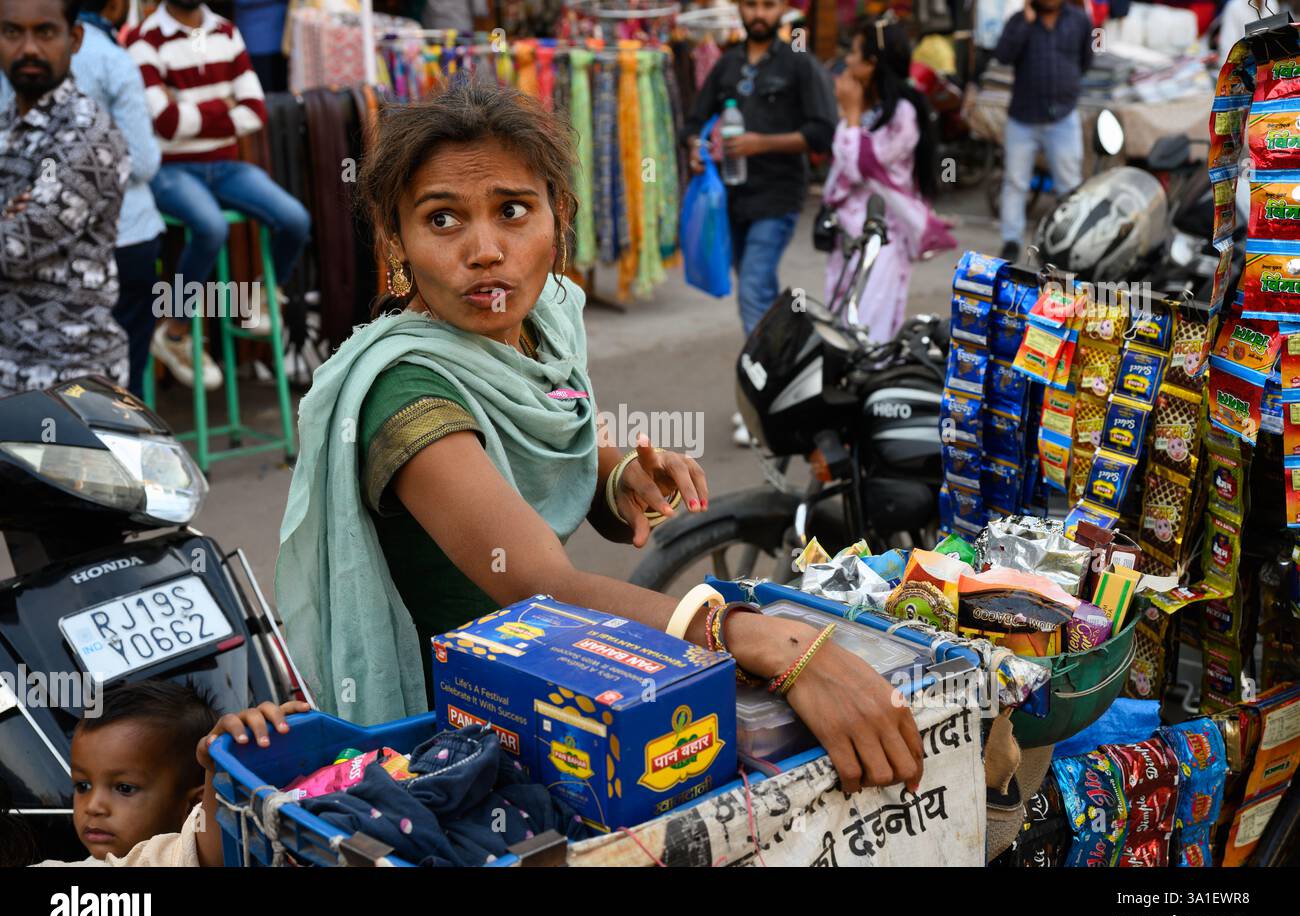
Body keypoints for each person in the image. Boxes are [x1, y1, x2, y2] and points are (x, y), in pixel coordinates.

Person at [277, 83, 924, 797]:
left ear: (559, 215)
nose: (486, 251)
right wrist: (753, 635)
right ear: (396, 242)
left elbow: (564, 444)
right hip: (458, 734)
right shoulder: (408, 396)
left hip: (549, 680)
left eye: (513, 211)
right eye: (443, 220)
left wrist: (618, 478)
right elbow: (537, 584)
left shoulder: (544, 320)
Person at [126, 0, 311, 392]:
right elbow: (165, 121)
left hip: (226, 167)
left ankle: (261, 297)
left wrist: (189, 108)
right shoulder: (144, 40)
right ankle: (174, 331)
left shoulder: (226, 31)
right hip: (170, 169)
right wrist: (222, 107)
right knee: (210, 228)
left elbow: (255, 111)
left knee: (295, 218)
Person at [681, 0, 837, 446]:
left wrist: (760, 143)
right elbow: (693, 121)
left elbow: (822, 133)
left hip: (777, 197)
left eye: (767, 5)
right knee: (760, 297)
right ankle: (788, 378)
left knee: (753, 286)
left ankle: (764, 394)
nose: (758, 14)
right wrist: (695, 147)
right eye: (751, 4)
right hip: (731, 201)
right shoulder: (728, 64)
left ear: (782, 11)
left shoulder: (799, 64)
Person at [0, 0, 166, 398]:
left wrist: (13, 221)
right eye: (12, 33)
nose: (29, 49)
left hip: (68, 382)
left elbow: (14, 247)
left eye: (44, 32)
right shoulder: (9, 121)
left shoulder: (86, 137)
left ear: (73, 38)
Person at [33, 680, 309, 866]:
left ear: (192, 805)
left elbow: (206, 848)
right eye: (82, 786)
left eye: (124, 788)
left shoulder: (162, 859)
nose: (93, 807)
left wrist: (219, 765)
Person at [824, 16, 955, 343]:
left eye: (854, 54)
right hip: (849, 235)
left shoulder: (903, 116)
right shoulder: (874, 109)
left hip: (882, 239)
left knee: (866, 327)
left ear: (871, 64)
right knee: (838, 318)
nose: (847, 62)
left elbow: (859, 167)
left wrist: (851, 115)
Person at [993, 0, 1093, 262]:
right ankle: (1011, 241)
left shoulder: (1079, 21)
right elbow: (1003, 55)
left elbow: (1085, 61)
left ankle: (1066, 242)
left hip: (1063, 117)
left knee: (1069, 186)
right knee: (1015, 182)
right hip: (1023, 118)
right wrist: (1025, 22)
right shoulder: (1019, 21)